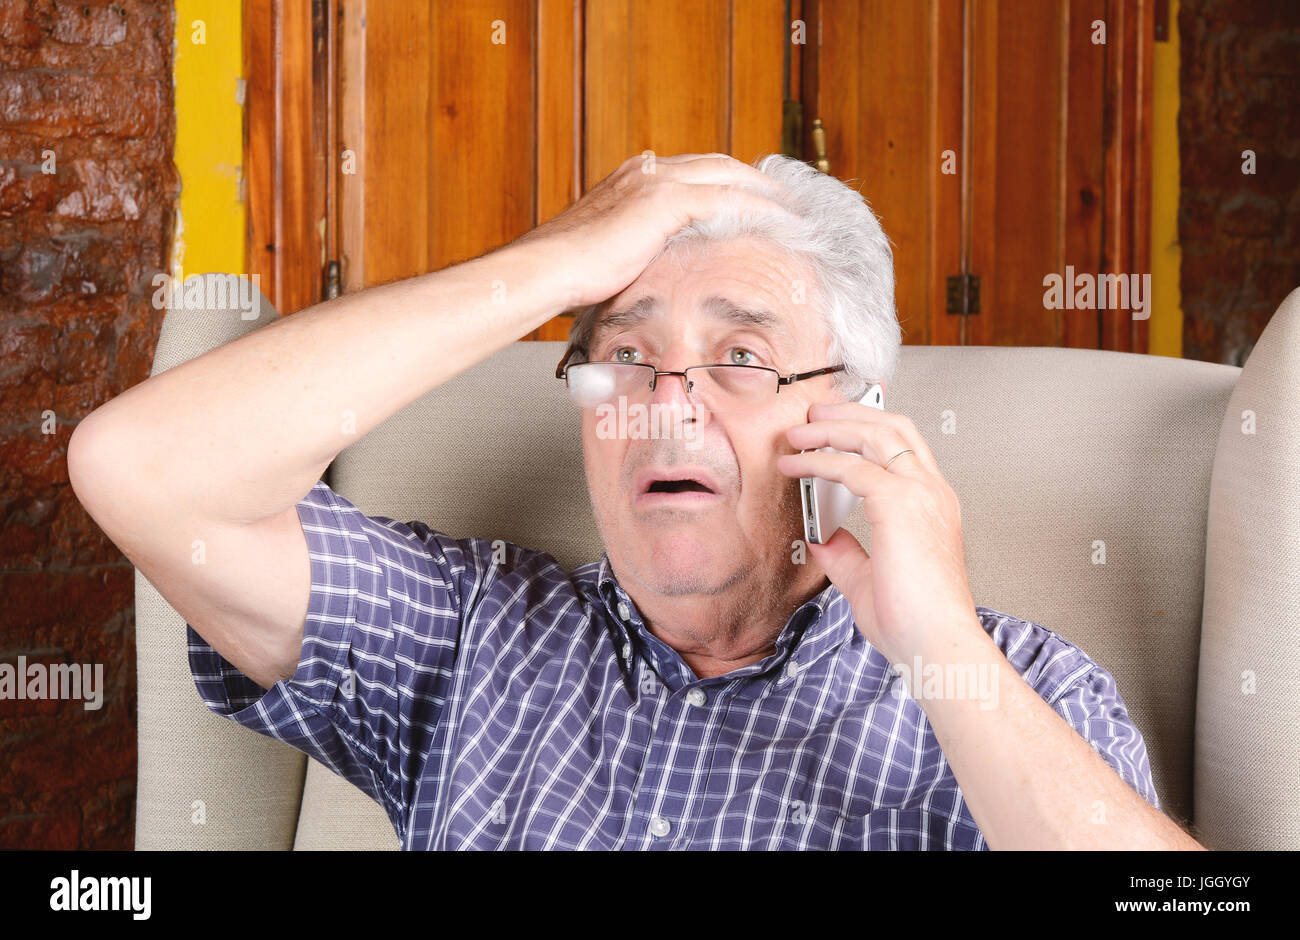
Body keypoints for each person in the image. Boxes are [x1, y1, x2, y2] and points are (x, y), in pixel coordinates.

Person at [68, 152, 1203, 850]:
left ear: (850, 418)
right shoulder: (471, 637)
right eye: (626, 355)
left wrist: (940, 643)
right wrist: (556, 263)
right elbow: (140, 469)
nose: (668, 405)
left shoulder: (1020, 687)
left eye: (741, 357)